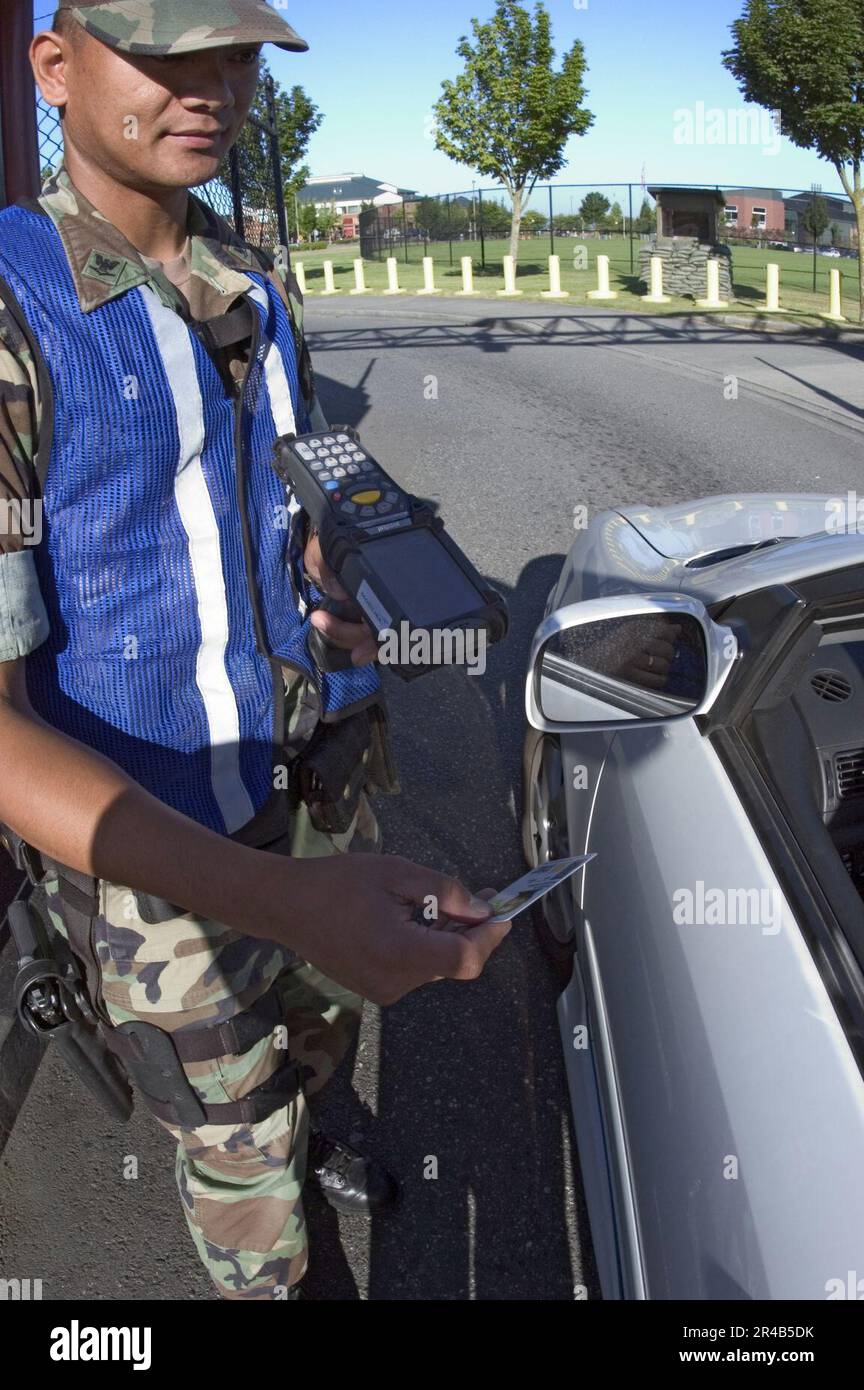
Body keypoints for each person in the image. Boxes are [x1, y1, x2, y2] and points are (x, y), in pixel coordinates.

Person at [0, 1, 511, 1300]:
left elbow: (278, 499)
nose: (209, 84)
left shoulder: (252, 278)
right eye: (163, 52)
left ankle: (314, 1109)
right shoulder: (14, 310)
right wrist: (284, 900)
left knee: (314, 1034)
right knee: (254, 1206)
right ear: (52, 68)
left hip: (314, 785)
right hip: (156, 851)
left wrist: (338, 584)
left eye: (232, 53)